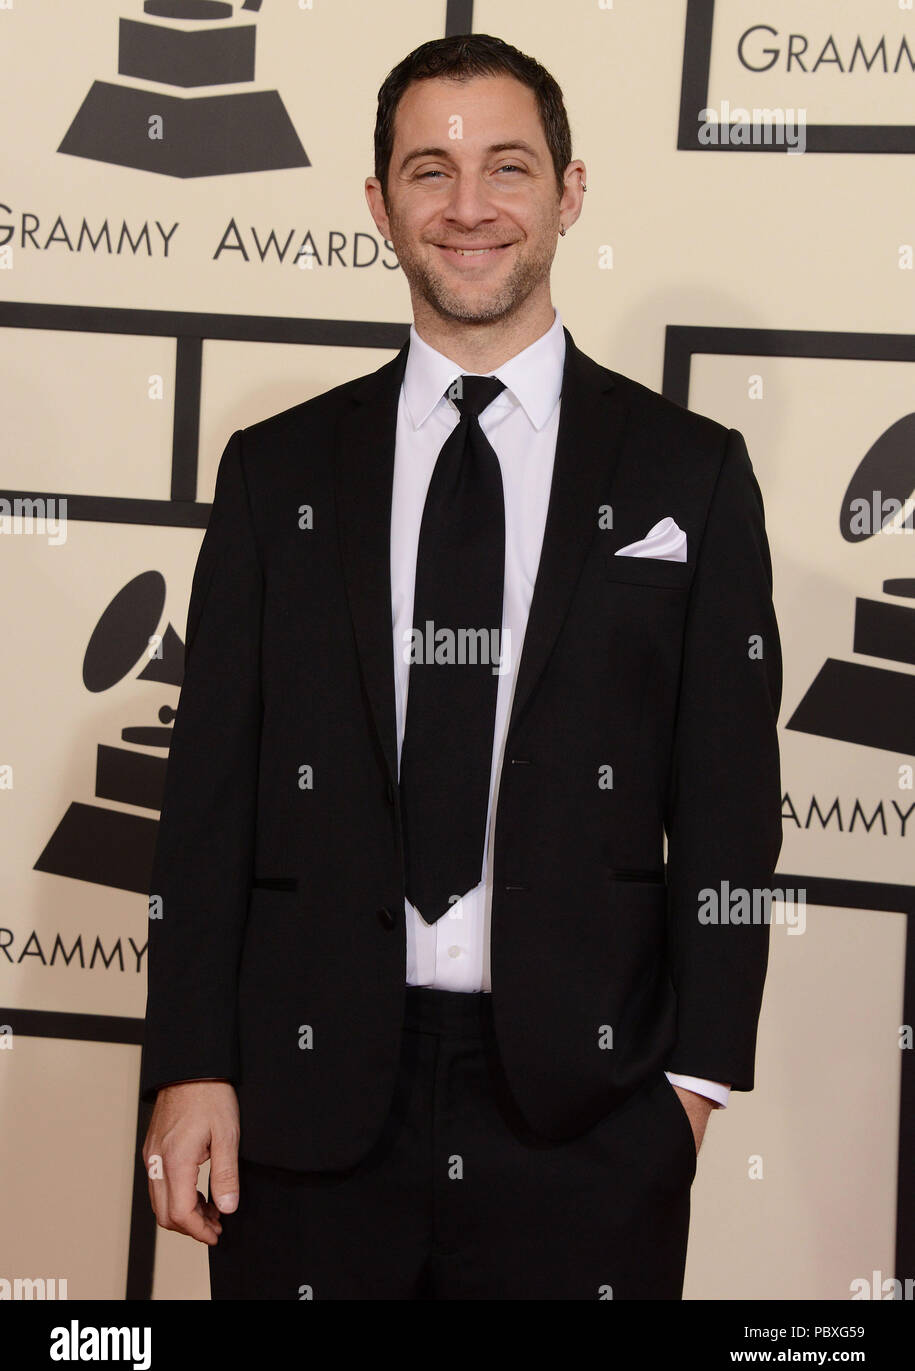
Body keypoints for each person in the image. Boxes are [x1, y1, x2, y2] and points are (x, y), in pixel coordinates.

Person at [140, 32, 782, 1300]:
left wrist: (690, 1094)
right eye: (429, 170)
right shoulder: (278, 475)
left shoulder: (687, 474)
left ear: (570, 192)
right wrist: (189, 1061)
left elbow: (728, 804)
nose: (470, 205)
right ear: (378, 203)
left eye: (509, 167)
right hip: (310, 1103)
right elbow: (209, 797)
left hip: (589, 1114)